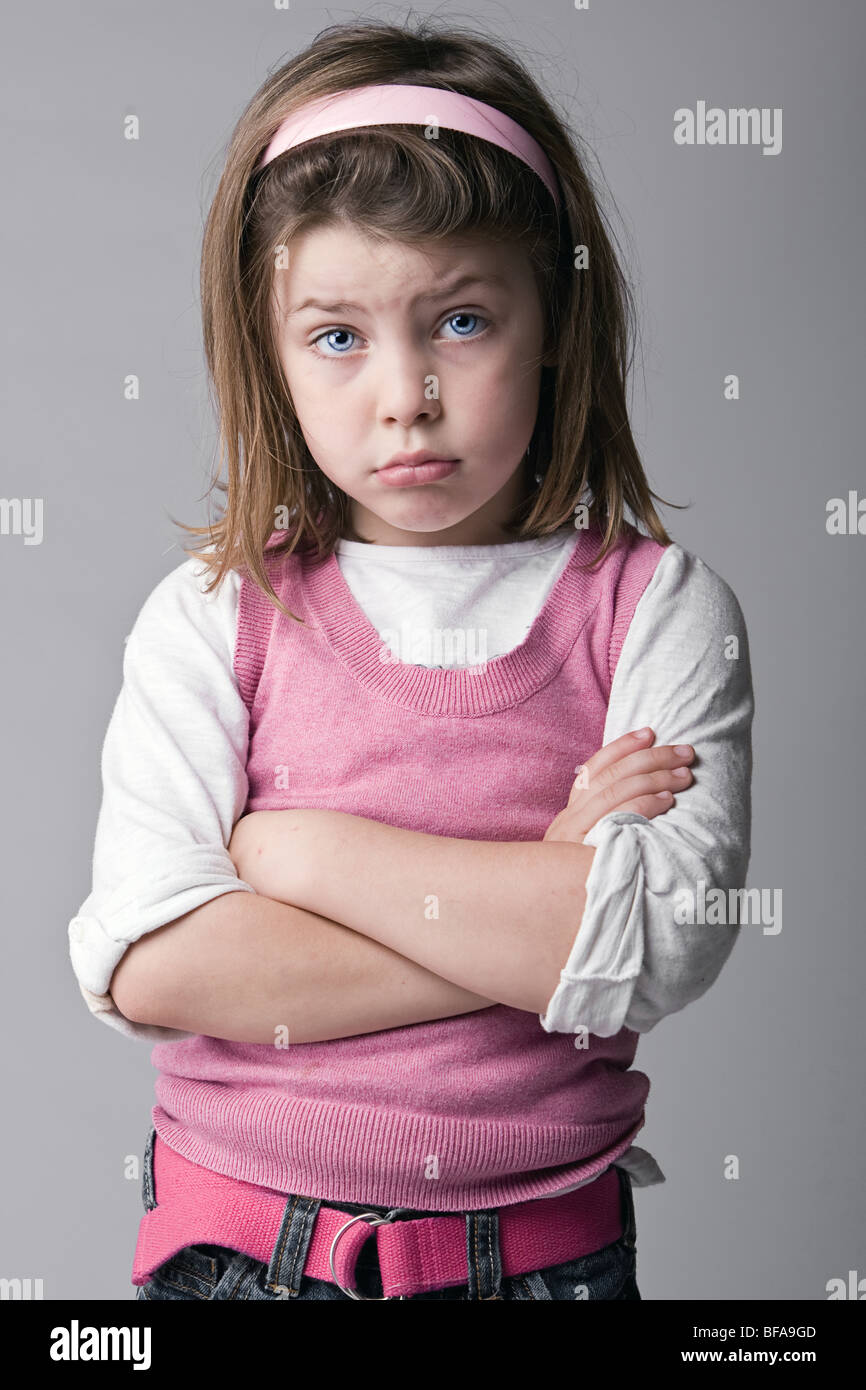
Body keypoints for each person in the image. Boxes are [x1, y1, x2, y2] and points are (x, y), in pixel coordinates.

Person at [67, 18, 753, 1301]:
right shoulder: (216, 612)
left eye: (460, 321)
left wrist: (298, 855)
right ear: (270, 353)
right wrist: (544, 901)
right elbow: (154, 963)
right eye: (337, 336)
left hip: (543, 1260)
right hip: (236, 1252)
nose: (403, 394)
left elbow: (663, 937)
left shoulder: (653, 610)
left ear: (550, 317)